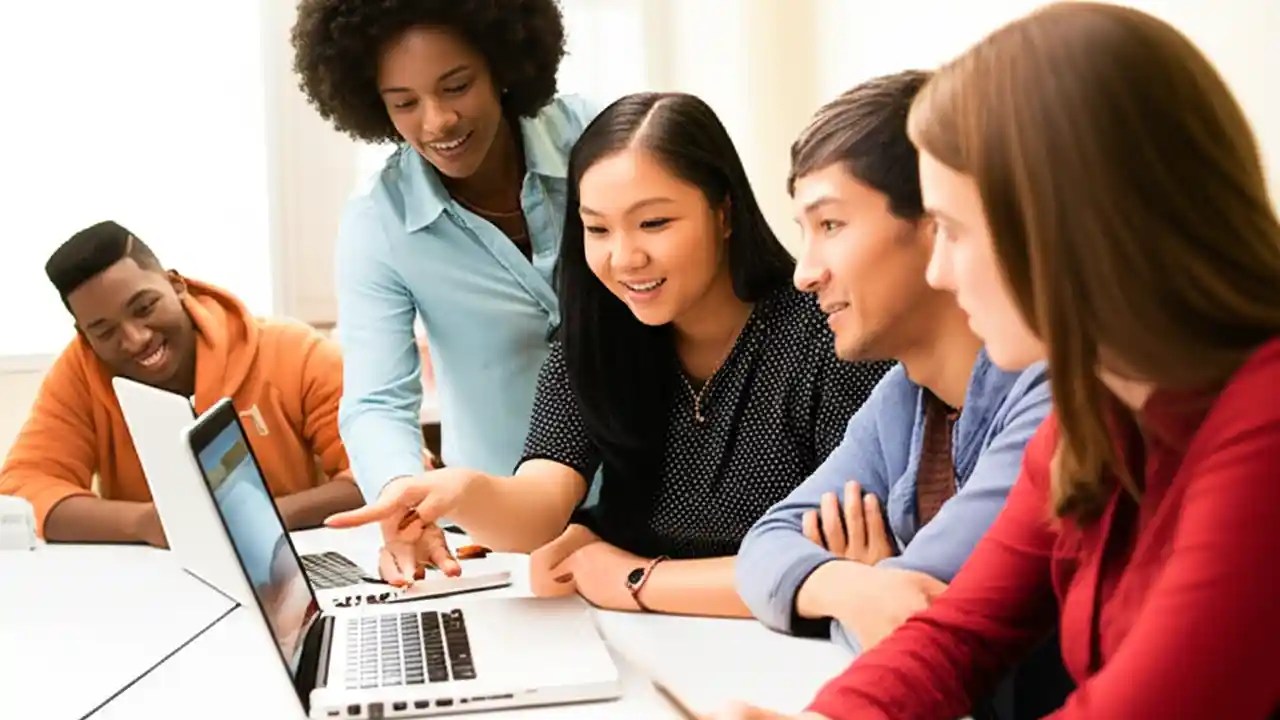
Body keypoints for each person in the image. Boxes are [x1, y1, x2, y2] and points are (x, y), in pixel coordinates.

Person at [714, 3, 1280, 719]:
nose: (940, 273)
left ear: (1059, 227)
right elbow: (956, 636)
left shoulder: (1263, 425)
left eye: (952, 231)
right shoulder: (1095, 417)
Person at [328, 92, 894, 618]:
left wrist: (632, 578)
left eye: (654, 223)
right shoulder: (597, 340)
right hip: (643, 639)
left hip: (784, 651)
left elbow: (832, 567)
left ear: (723, 213)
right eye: (597, 229)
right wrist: (462, 493)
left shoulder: (830, 337)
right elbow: (539, 505)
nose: (624, 258)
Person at [735, 71, 1051, 655]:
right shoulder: (902, 398)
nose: (805, 273)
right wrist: (852, 588)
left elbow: (921, 621)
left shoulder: (1048, 396)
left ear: (936, 224)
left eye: (831, 225)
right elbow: (764, 546)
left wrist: (875, 583)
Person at [291, 0, 598, 517]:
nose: (437, 121)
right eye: (404, 102)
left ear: (501, 64)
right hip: (503, 526)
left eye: (456, 86)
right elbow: (377, 402)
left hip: (657, 504)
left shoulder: (595, 138)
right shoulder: (379, 222)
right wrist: (401, 496)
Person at [0, 221, 362, 546]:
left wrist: (259, 520)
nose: (136, 339)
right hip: (155, 578)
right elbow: (22, 488)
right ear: (84, 335)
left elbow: (377, 472)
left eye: (144, 308)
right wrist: (143, 523)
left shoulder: (293, 351)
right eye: (105, 332)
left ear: (177, 285)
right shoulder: (81, 370)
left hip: (291, 564)